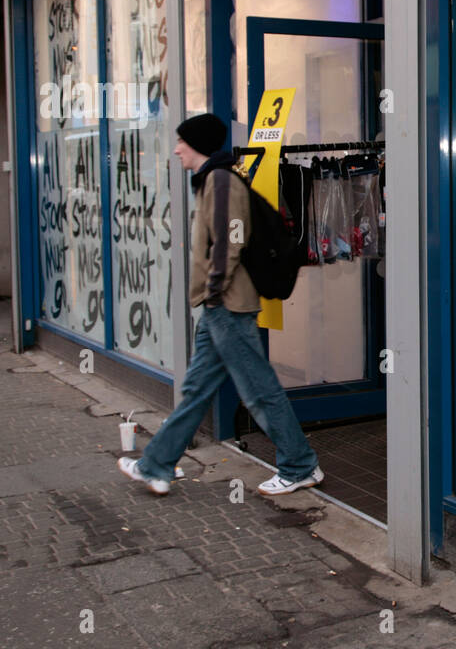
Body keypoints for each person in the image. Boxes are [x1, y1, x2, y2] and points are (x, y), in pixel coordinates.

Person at [118, 112, 323, 496]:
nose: (176, 149)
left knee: (259, 390)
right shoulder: (212, 181)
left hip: (227, 305)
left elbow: (232, 239)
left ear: (197, 144)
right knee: (196, 390)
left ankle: (300, 466)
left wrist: (213, 292)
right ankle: (156, 465)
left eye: (181, 142)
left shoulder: (221, 181)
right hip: (219, 306)